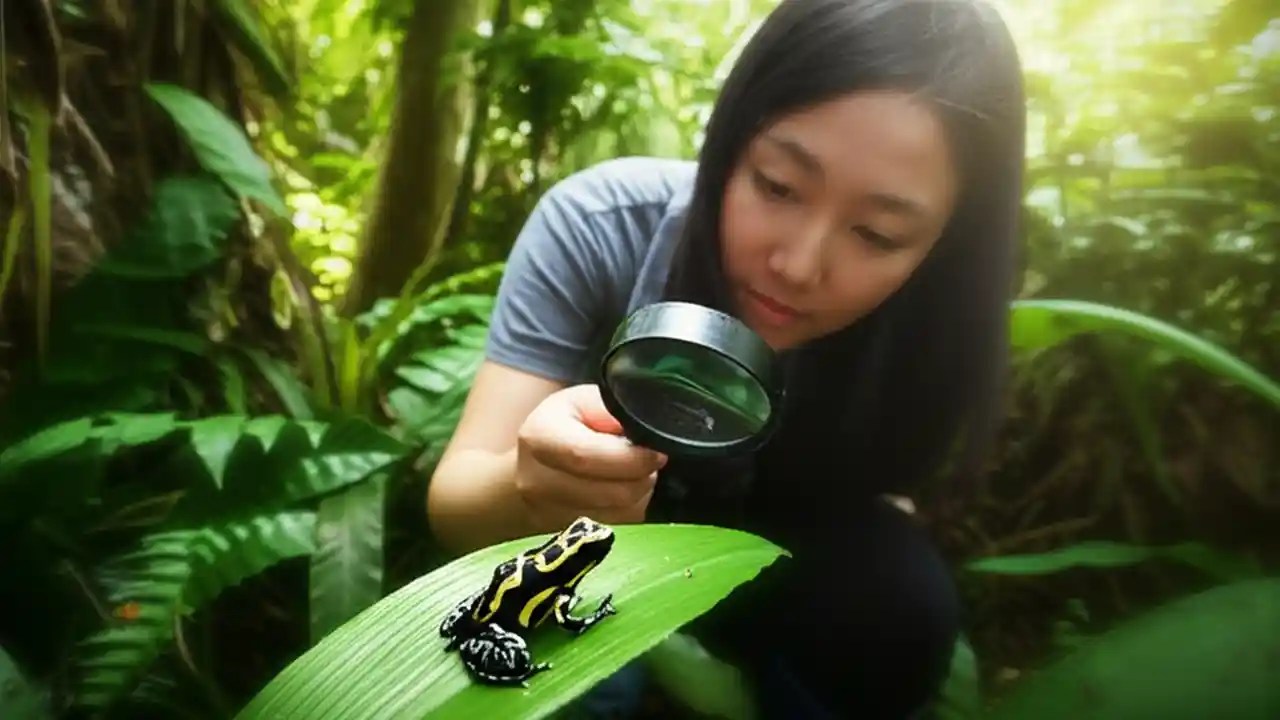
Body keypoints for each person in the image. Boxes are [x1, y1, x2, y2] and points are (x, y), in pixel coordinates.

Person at [426, 0, 1026, 717]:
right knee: (584, 689)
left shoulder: (932, 313)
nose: (798, 266)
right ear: (731, 138)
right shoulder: (599, 226)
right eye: (776, 186)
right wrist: (535, 483)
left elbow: (883, 497)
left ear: (944, 243)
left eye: (877, 233)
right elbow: (455, 504)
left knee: (901, 604)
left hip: (767, 543)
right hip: (597, 549)